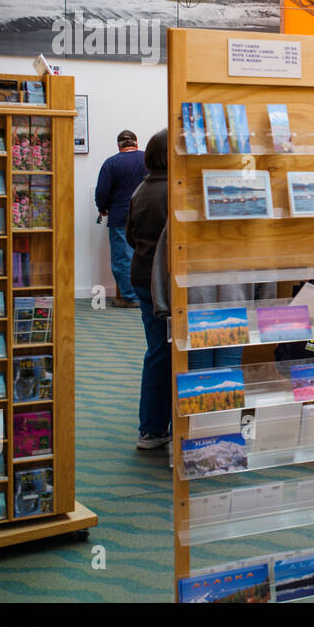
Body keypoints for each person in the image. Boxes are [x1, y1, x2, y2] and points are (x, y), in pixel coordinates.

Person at [124, 129, 171, 449]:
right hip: (164, 284)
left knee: (157, 350)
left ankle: (152, 426)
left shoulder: (143, 189)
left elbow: (130, 236)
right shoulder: (173, 190)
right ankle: (153, 428)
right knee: (163, 353)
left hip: (142, 278)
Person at [95, 130, 148, 307]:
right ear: (136, 143)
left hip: (120, 216)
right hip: (147, 214)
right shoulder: (147, 159)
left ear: (119, 146)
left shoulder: (111, 163)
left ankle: (130, 297)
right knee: (148, 255)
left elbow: (102, 190)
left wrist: (102, 208)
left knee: (123, 258)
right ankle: (149, 295)